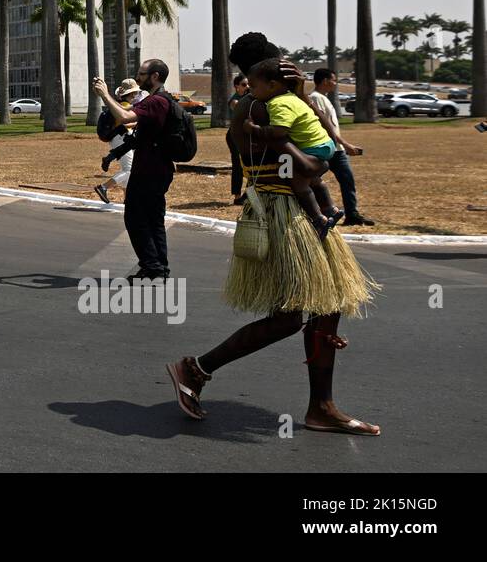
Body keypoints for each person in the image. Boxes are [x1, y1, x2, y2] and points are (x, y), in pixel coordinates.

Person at [165, 31, 380, 435]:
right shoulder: (266, 107)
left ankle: (321, 406)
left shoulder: (254, 103)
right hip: (290, 214)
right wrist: (320, 160)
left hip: (289, 210)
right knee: (290, 315)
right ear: (272, 68)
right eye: (285, 65)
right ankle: (196, 369)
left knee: (324, 305)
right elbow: (310, 168)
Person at [92, 59, 176, 281]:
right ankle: (158, 268)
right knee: (153, 219)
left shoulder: (156, 101)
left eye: (142, 74)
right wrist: (113, 155)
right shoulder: (160, 100)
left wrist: (104, 94)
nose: (138, 78)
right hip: (157, 169)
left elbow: (124, 117)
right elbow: (138, 137)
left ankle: (152, 266)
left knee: (135, 219)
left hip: (149, 171)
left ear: (155, 76)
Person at [242, 59, 341, 238]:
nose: (250, 90)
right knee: (315, 180)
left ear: (272, 85)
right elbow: (331, 136)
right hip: (323, 144)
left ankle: (319, 218)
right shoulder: (293, 98)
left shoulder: (276, 104)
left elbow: (279, 132)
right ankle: (330, 208)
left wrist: (254, 129)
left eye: (253, 86)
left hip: (312, 150)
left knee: (300, 183)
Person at [308, 69, 375, 227]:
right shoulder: (315, 98)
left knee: (347, 180)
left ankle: (351, 214)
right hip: (327, 149)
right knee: (311, 180)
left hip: (336, 149)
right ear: (325, 81)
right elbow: (326, 127)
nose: (335, 83)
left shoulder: (323, 98)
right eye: (333, 80)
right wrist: (346, 144)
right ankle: (318, 212)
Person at [93, 79, 142, 204]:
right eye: (134, 93)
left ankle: (127, 198)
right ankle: (103, 187)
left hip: (118, 139)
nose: (136, 96)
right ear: (130, 94)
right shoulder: (125, 106)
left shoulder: (119, 105)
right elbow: (126, 122)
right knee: (129, 169)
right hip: (121, 138)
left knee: (127, 168)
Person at [229, 74, 249, 204]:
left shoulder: (247, 98)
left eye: (248, 84)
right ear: (237, 87)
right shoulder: (235, 101)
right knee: (238, 165)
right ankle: (237, 196)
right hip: (234, 135)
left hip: (245, 135)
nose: (247, 87)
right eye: (243, 85)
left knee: (249, 164)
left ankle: (248, 194)